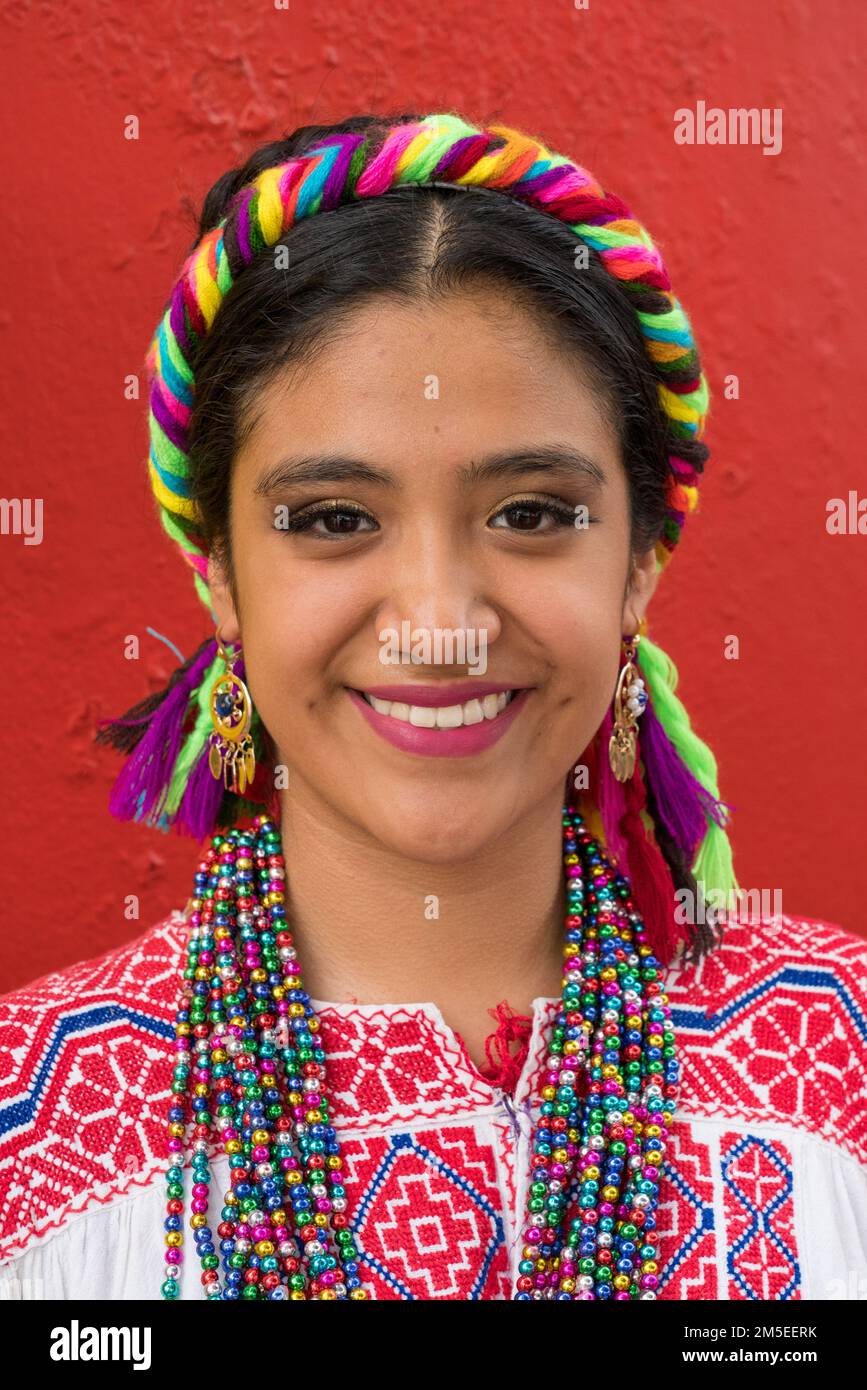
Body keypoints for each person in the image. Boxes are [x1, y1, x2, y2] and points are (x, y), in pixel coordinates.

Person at [1, 110, 865, 1302]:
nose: (439, 621)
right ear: (217, 573)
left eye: (531, 512)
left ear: (642, 558)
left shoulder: (842, 1065)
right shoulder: (28, 1136)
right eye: (333, 520)